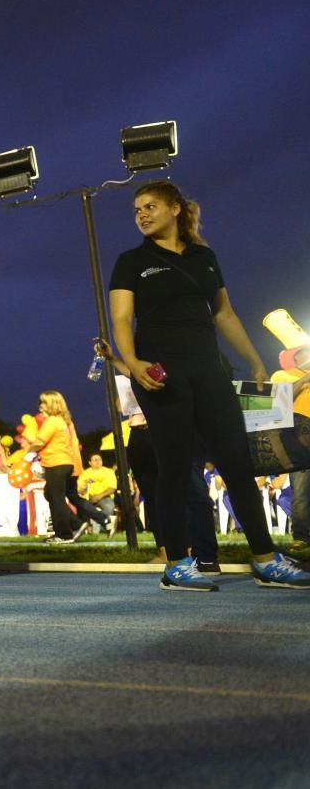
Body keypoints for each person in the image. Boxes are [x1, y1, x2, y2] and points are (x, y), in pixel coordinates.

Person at [108, 180, 308, 590]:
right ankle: (177, 564)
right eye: (137, 210)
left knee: (237, 464)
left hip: (210, 372)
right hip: (162, 376)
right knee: (175, 469)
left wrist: (254, 360)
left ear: (175, 208)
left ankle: (265, 559)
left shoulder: (204, 257)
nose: (141, 215)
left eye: (150, 206)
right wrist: (133, 361)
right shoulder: (132, 261)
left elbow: (224, 314)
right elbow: (122, 319)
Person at [23, 391, 89, 544]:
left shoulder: (52, 421)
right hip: (62, 462)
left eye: (44, 402)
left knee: (56, 499)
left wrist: (28, 455)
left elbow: (40, 441)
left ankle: (65, 534)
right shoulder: (60, 421)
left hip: (56, 463)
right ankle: (72, 526)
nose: (40, 406)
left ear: (52, 404)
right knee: (51, 495)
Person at [78, 453, 118, 534]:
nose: (98, 461)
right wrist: (85, 486)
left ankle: (106, 529)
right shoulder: (84, 473)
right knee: (81, 506)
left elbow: (112, 489)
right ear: (90, 462)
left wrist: (99, 496)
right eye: (95, 460)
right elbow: (79, 490)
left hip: (104, 497)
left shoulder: (109, 472)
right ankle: (86, 529)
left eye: (99, 459)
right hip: (88, 497)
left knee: (108, 507)